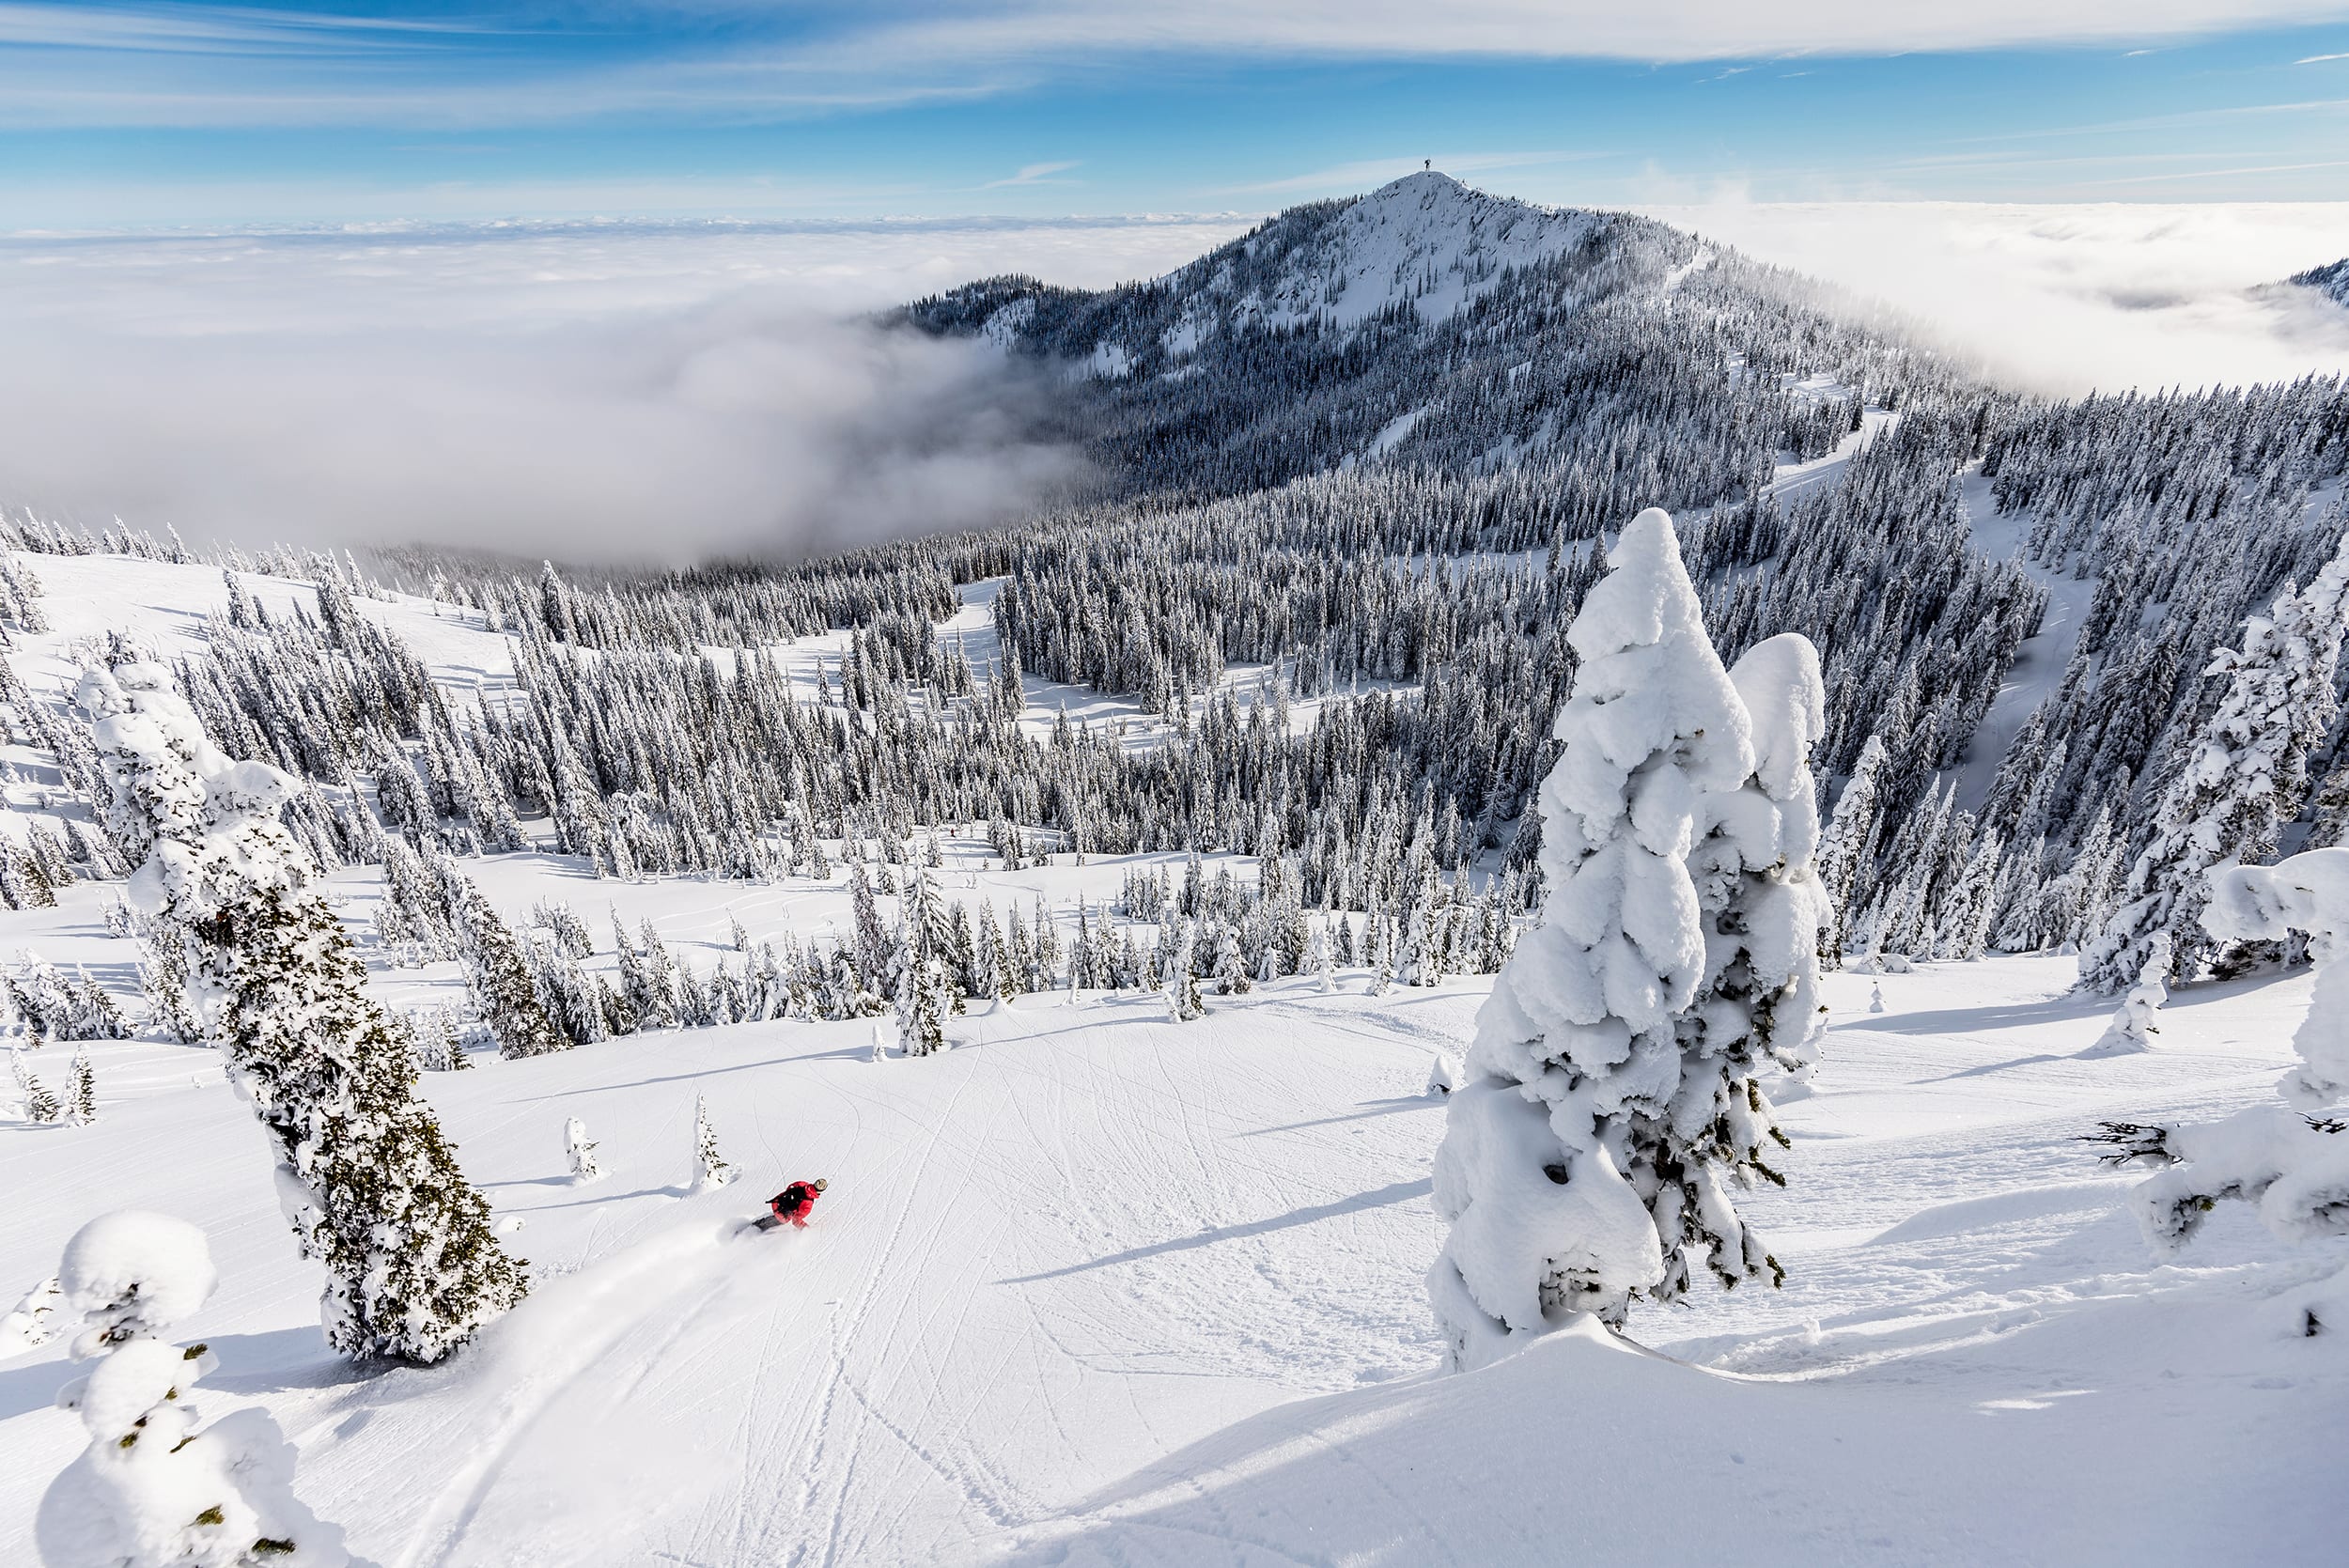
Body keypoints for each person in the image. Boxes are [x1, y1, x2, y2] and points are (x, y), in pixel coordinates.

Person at [753, 1178, 828, 1232]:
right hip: (781, 1215)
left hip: (777, 1201)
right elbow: (796, 1220)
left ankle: (755, 1225)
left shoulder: (802, 1183)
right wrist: (806, 1229)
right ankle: (754, 1231)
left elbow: (790, 1187)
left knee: (770, 1220)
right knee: (775, 1221)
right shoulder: (808, 1204)